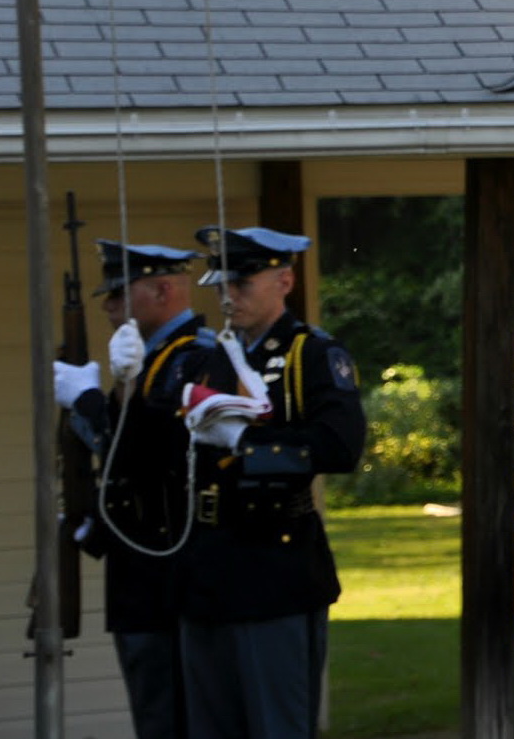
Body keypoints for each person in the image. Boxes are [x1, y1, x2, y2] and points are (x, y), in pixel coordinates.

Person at [176, 226, 366, 739]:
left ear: (284, 280)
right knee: (212, 726)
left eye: (242, 283)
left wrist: (248, 445)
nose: (228, 296)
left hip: (274, 566)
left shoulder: (311, 355)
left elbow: (340, 446)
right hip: (208, 566)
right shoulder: (211, 357)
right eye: (222, 285)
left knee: (276, 725)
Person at [52, 239, 216, 739]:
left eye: (120, 294)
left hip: (169, 568)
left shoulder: (191, 360)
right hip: (141, 566)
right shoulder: (152, 357)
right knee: (154, 710)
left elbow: (146, 453)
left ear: (163, 289)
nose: (109, 306)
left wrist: (85, 403)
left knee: (171, 714)